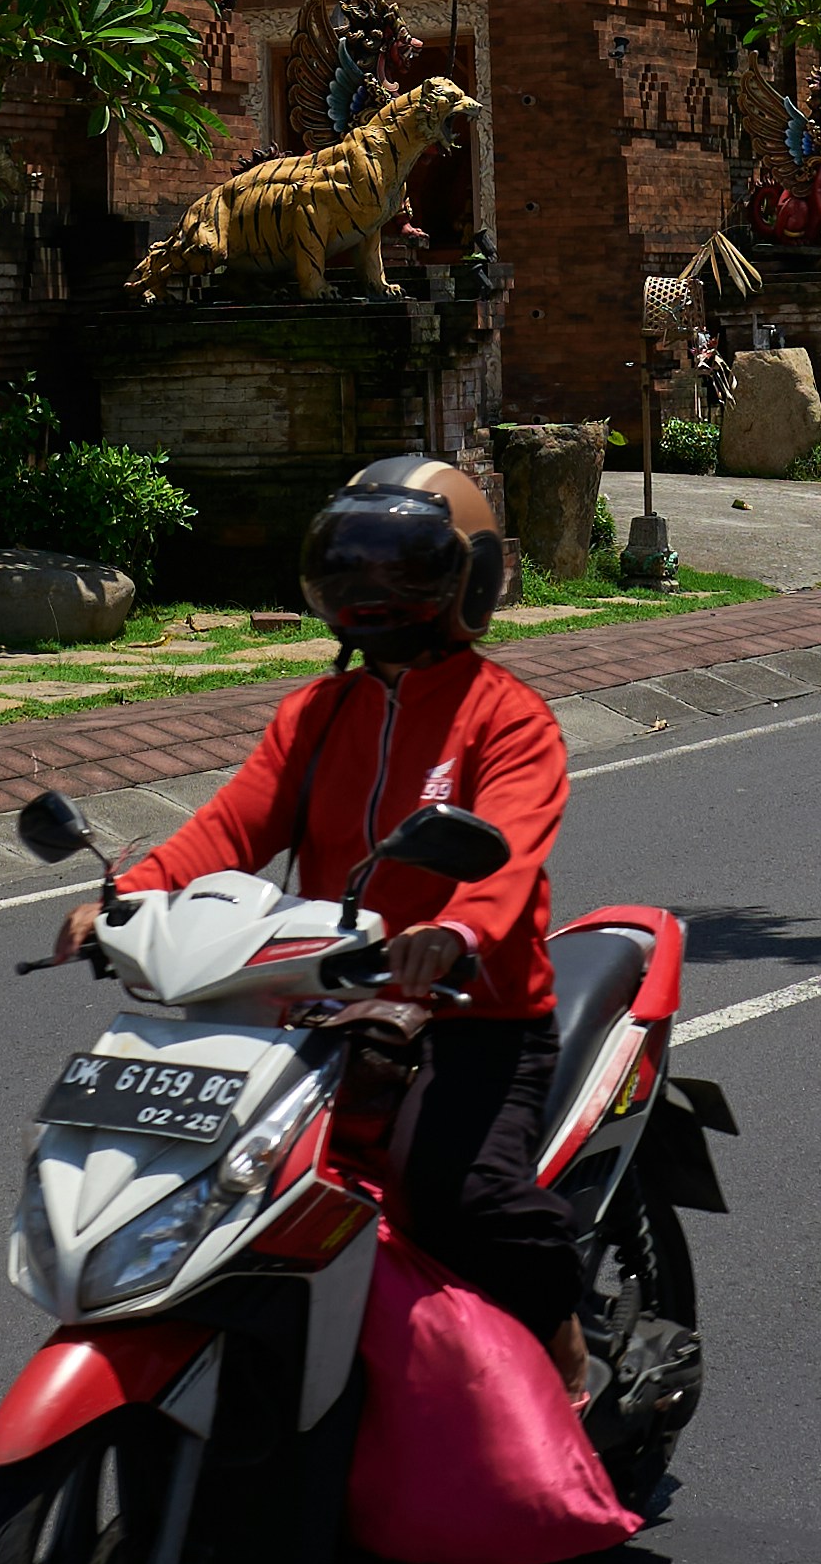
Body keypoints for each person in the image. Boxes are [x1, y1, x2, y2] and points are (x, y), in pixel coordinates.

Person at [57, 454, 587, 1397]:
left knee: (457, 1194)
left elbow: (504, 852)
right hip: (326, 1009)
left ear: (466, 578)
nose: (371, 589)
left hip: (476, 1021)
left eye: (405, 566)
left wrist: (456, 933)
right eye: (352, 565)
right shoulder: (316, 712)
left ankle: (561, 1338)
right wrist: (125, 896)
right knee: (219, 1173)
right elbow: (234, 826)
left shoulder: (504, 718)